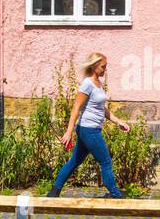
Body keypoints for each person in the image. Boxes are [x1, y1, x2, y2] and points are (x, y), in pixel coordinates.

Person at [47, 52, 129, 198]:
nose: (105, 70)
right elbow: (76, 108)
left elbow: (101, 108)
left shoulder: (98, 83)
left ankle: (54, 191)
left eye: (106, 66)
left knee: (75, 161)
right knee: (105, 162)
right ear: (94, 66)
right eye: (103, 67)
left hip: (90, 129)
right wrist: (68, 132)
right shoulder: (87, 84)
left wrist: (118, 122)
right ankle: (116, 195)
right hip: (89, 130)